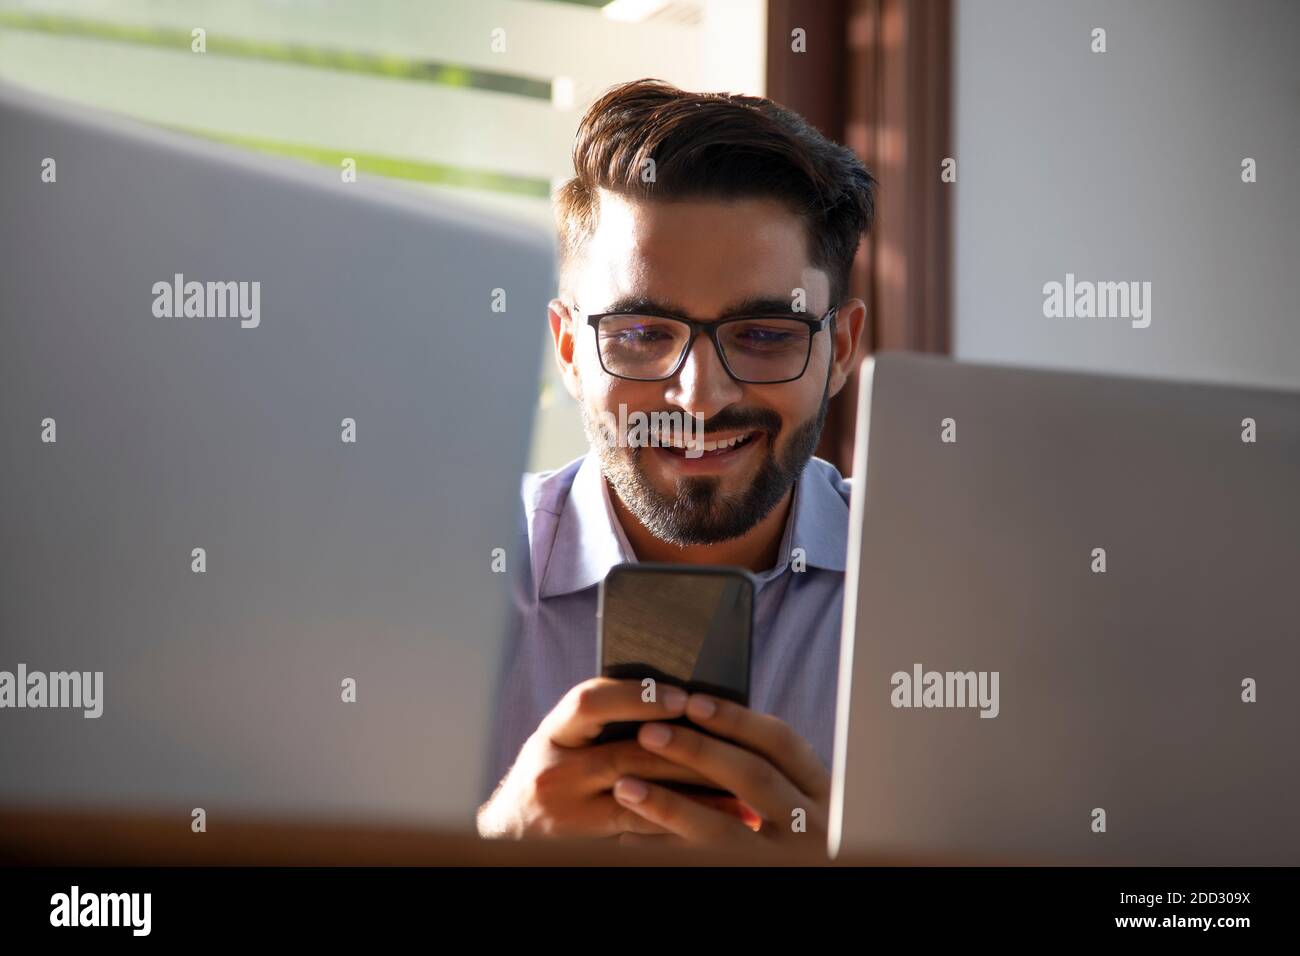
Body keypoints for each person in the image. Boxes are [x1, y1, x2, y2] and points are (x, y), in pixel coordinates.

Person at [478, 78, 875, 852]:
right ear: (568, 350)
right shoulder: (441, 579)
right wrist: (494, 845)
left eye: (765, 333)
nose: (699, 399)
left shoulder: (940, 598)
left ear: (842, 350)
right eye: (639, 333)